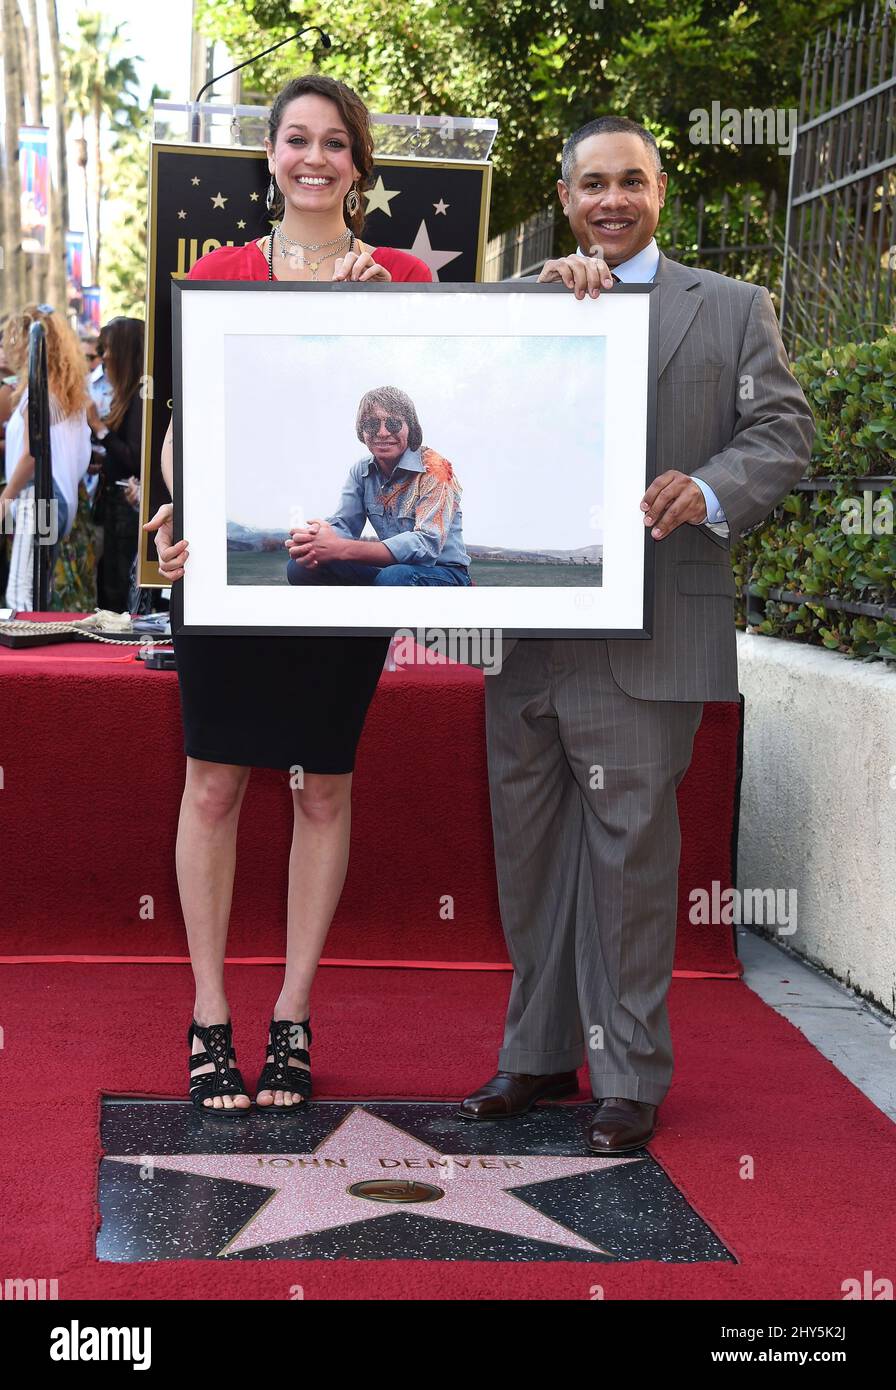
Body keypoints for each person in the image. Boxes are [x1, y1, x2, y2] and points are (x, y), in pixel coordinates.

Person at [459, 116, 815, 1152]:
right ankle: (536, 1053)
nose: (610, 200)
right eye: (592, 185)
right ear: (565, 198)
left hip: (654, 628)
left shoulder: (731, 307)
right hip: (528, 634)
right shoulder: (522, 304)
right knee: (528, 855)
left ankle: (626, 1074)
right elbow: (468, 421)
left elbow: (783, 430)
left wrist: (707, 487)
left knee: (630, 863)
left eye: (630, 182)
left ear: (658, 191)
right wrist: (536, 313)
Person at [144, 73, 432, 1115]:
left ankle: (294, 1016)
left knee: (322, 788)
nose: (315, 158)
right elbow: (184, 430)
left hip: (343, 574)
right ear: (269, 156)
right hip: (230, 572)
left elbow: (419, 429)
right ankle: (209, 1015)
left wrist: (371, 312)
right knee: (213, 787)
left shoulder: (404, 277)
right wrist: (179, 515)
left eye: (335, 142)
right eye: (297, 140)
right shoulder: (217, 273)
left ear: (359, 163)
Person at [286, 386, 470, 587]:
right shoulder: (361, 471)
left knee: (394, 577)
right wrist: (314, 539)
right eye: (372, 424)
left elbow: (427, 546)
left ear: (411, 427)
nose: (382, 433)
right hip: (391, 570)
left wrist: (340, 548)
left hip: (445, 573)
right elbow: (344, 525)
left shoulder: (435, 469)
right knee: (301, 566)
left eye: (393, 423)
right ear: (361, 431)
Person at [0, 305, 91, 611]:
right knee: (36, 593)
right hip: (54, 497)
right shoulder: (66, 394)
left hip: (35, 497)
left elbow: (31, 455)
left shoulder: (38, 395)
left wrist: (5, 499)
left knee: (21, 596)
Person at [89, 317, 144, 611]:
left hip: (126, 506)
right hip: (113, 503)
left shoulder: (139, 397)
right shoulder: (127, 395)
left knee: (117, 588)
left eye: (109, 348)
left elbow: (134, 458)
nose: (105, 356)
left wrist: (99, 428)